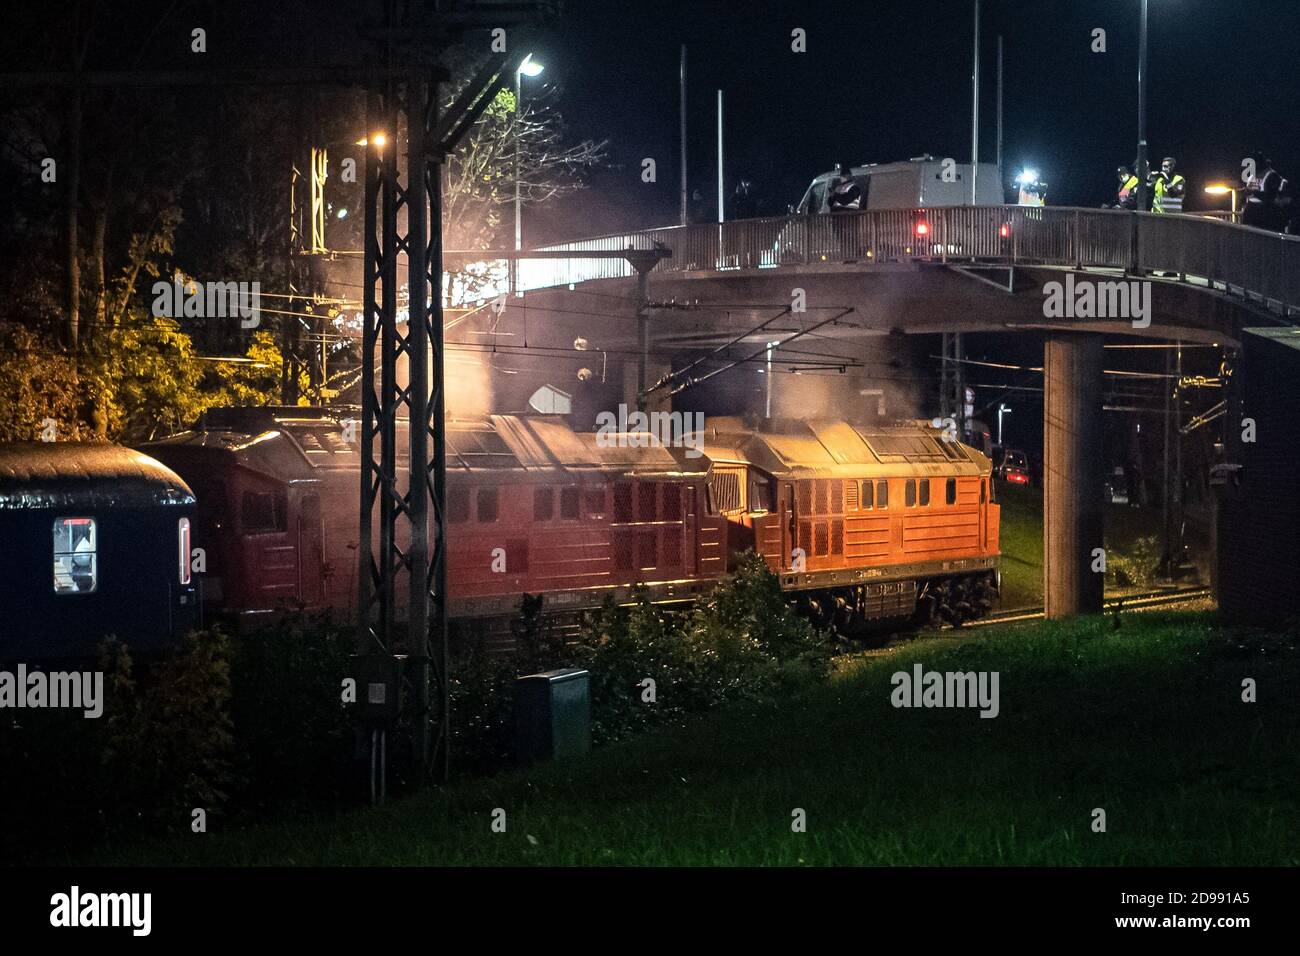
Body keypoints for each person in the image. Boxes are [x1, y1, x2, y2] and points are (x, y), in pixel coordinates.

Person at [1243, 153, 1284, 230]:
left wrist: (1254, 193)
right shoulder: (1252, 176)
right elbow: (1247, 193)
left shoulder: (1273, 176)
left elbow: (1271, 197)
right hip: (1251, 212)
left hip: (1264, 213)